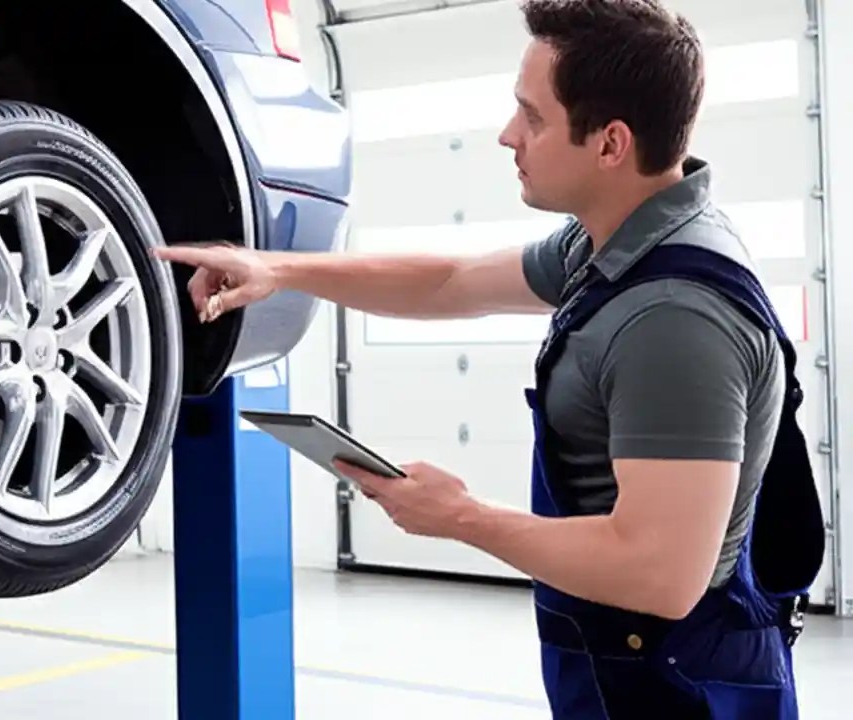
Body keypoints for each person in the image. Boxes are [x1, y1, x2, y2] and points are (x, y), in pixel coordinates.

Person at [153, 1, 827, 718]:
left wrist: (462, 517)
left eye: (532, 118)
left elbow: (660, 575)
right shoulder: (614, 241)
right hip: (629, 668)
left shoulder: (674, 317)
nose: (508, 136)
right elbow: (453, 281)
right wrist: (278, 270)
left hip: (675, 688)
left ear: (611, 145)